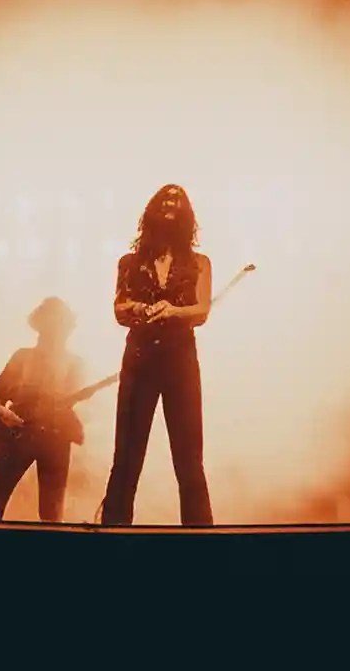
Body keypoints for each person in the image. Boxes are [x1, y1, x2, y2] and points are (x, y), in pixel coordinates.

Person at [100, 183, 214, 526]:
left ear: (186, 215)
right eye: (165, 200)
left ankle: (201, 537)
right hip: (140, 360)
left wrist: (171, 311)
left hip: (180, 361)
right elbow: (119, 309)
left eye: (177, 201)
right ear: (151, 211)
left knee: (189, 456)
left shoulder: (199, 263)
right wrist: (136, 306)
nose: (170, 204)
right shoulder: (129, 262)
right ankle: (114, 532)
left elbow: (202, 310)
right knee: (127, 456)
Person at [0, 297, 85, 522]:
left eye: (60, 326)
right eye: (52, 326)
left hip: (56, 440)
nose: (57, 332)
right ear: (41, 327)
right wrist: (3, 412)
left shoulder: (74, 364)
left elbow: (78, 402)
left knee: (52, 514)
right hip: (18, 437)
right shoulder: (22, 358)